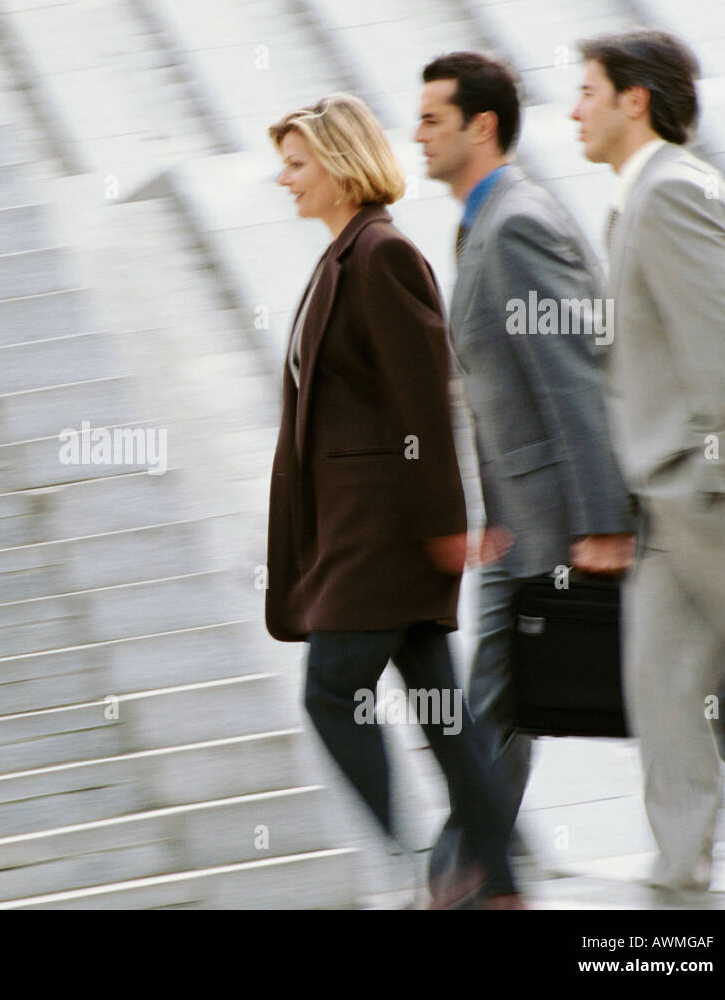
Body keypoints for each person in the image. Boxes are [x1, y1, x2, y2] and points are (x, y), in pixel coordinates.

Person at [264, 93, 522, 908]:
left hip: (383, 537)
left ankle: (406, 864)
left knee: (330, 690)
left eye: (297, 163)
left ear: (341, 166)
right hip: (366, 533)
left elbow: (425, 403)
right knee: (446, 718)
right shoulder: (343, 254)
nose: (285, 179)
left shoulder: (381, 254)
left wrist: (449, 526)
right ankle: (502, 884)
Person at [412, 52, 636, 898]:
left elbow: (574, 374)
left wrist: (604, 520)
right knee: (500, 711)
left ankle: (461, 876)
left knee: (691, 682)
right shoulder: (481, 224)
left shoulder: (515, 224)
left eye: (433, 117)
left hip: (564, 525)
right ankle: (466, 876)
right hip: (523, 528)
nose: (417, 133)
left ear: (482, 126)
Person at [572, 29, 725, 894]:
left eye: (587, 91)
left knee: (677, 684)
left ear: (633, 99)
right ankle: (681, 882)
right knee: (665, 689)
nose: (574, 110)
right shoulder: (644, 195)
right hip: (673, 504)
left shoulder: (674, 193)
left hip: (718, 493)